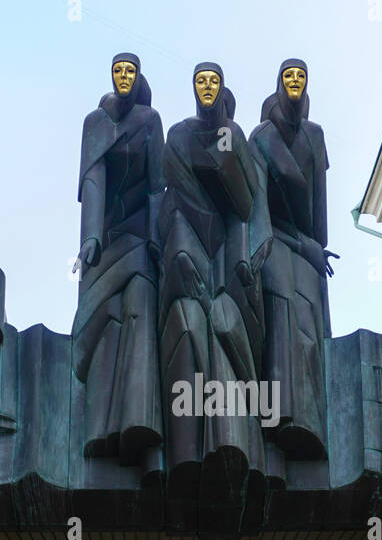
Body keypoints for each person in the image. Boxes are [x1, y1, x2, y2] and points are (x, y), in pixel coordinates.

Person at [158, 62, 273, 502]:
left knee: (226, 321)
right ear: (194, 89)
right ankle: (194, 450)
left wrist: (239, 262)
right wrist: (185, 253)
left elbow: (246, 203)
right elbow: (176, 198)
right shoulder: (178, 134)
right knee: (190, 319)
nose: (207, 88)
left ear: (223, 91)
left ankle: (237, 442)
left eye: (214, 82)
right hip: (189, 242)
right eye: (200, 82)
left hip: (229, 249)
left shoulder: (235, 137)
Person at [73, 52, 164, 465]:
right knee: (103, 321)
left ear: (138, 77)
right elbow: (93, 178)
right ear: (112, 77)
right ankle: (99, 431)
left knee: (139, 314)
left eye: (130, 71)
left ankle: (139, 422)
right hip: (104, 241)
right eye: (118, 71)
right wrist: (90, 237)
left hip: (140, 238)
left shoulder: (150, 121)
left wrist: (157, 240)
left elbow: (157, 187)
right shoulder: (96, 123)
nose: (124, 76)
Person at [249, 59, 335, 460]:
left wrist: (320, 250)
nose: (295, 81)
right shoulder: (260, 138)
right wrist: (270, 243)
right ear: (279, 85)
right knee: (283, 303)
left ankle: (312, 418)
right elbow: (256, 208)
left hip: (308, 247)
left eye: (301, 76)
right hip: (274, 241)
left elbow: (320, 203)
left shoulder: (316, 136)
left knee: (309, 317)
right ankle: (279, 414)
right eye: (289, 76)